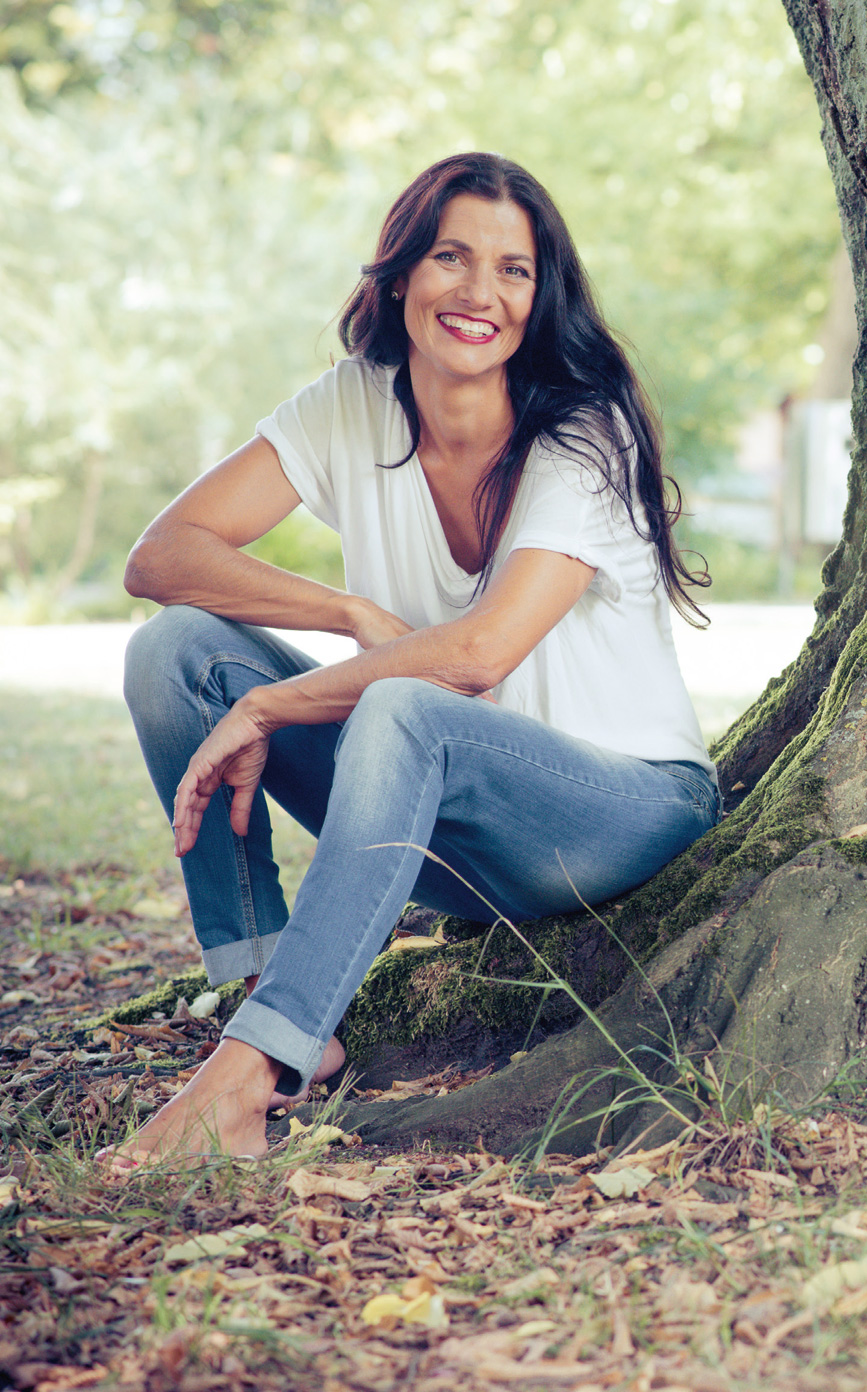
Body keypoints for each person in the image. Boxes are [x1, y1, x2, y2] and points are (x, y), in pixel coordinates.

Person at [108, 152, 718, 1169]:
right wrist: (343, 608)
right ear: (399, 279)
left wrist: (277, 708)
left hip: (616, 811)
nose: (481, 293)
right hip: (445, 836)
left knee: (405, 705)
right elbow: (160, 558)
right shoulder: (354, 404)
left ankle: (247, 1081)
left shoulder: (584, 433)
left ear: (542, 294)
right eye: (452, 258)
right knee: (177, 653)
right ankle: (272, 991)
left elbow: (477, 656)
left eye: (514, 270)